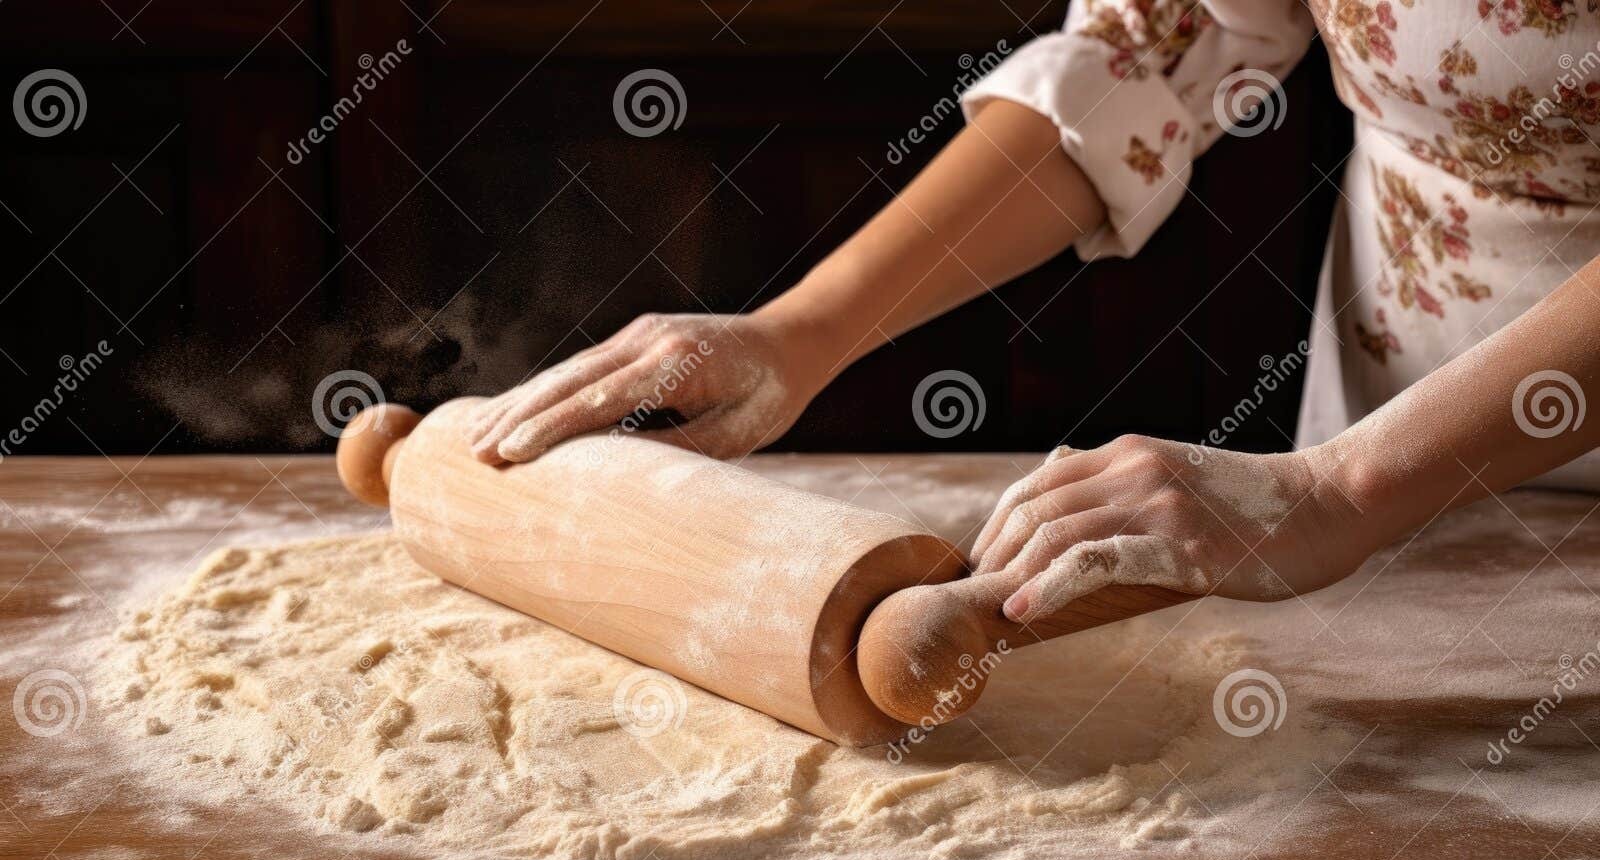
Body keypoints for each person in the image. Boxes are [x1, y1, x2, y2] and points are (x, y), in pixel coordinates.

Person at [467, 1, 1600, 626]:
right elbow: (1153, 53)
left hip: (1364, 483)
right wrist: (801, 332)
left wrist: (1335, 492)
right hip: (1392, 446)